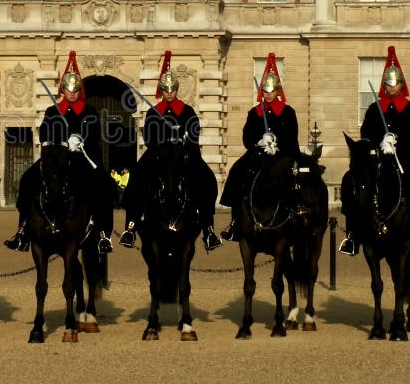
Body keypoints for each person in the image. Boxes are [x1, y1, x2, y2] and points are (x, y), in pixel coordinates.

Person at [339, 46, 410, 255]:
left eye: (395, 83)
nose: (392, 87)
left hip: (407, 155)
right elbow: (366, 133)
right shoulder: (374, 109)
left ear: (401, 85)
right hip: (379, 156)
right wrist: (380, 141)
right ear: (384, 85)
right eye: (388, 84)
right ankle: (353, 234)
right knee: (350, 180)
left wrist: (396, 139)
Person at [4, 51, 114, 254]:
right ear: (63, 89)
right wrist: (59, 142)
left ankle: (102, 234)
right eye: (68, 89)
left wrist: (80, 140)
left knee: (103, 185)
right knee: (28, 180)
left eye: (75, 90)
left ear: (79, 90)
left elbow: (95, 133)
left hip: (82, 158)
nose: (71, 93)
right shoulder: (52, 111)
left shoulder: (89, 111)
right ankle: (23, 230)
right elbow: (44, 132)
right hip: (57, 157)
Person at [120, 51, 221, 251]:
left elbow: (194, 133)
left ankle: (208, 228)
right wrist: (162, 142)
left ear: (176, 90)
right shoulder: (153, 112)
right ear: (162, 90)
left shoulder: (187, 111)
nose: (169, 93)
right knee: (137, 176)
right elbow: (148, 137)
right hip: (159, 154)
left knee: (206, 178)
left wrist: (184, 141)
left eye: (172, 90)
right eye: (166, 90)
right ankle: (130, 226)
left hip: (184, 154)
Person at [219, 53, 302, 240]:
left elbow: (292, 136)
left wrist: (277, 145)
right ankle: (235, 221)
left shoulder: (288, 112)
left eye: (272, 91)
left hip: (282, 155)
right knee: (237, 171)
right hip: (259, 154)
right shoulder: (255, 113)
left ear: (277, 91)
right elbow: (246, 137)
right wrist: (260, 142)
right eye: (265, 91)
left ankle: (297, 212)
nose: (268, 94)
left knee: (296, 178)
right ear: (262, 92)